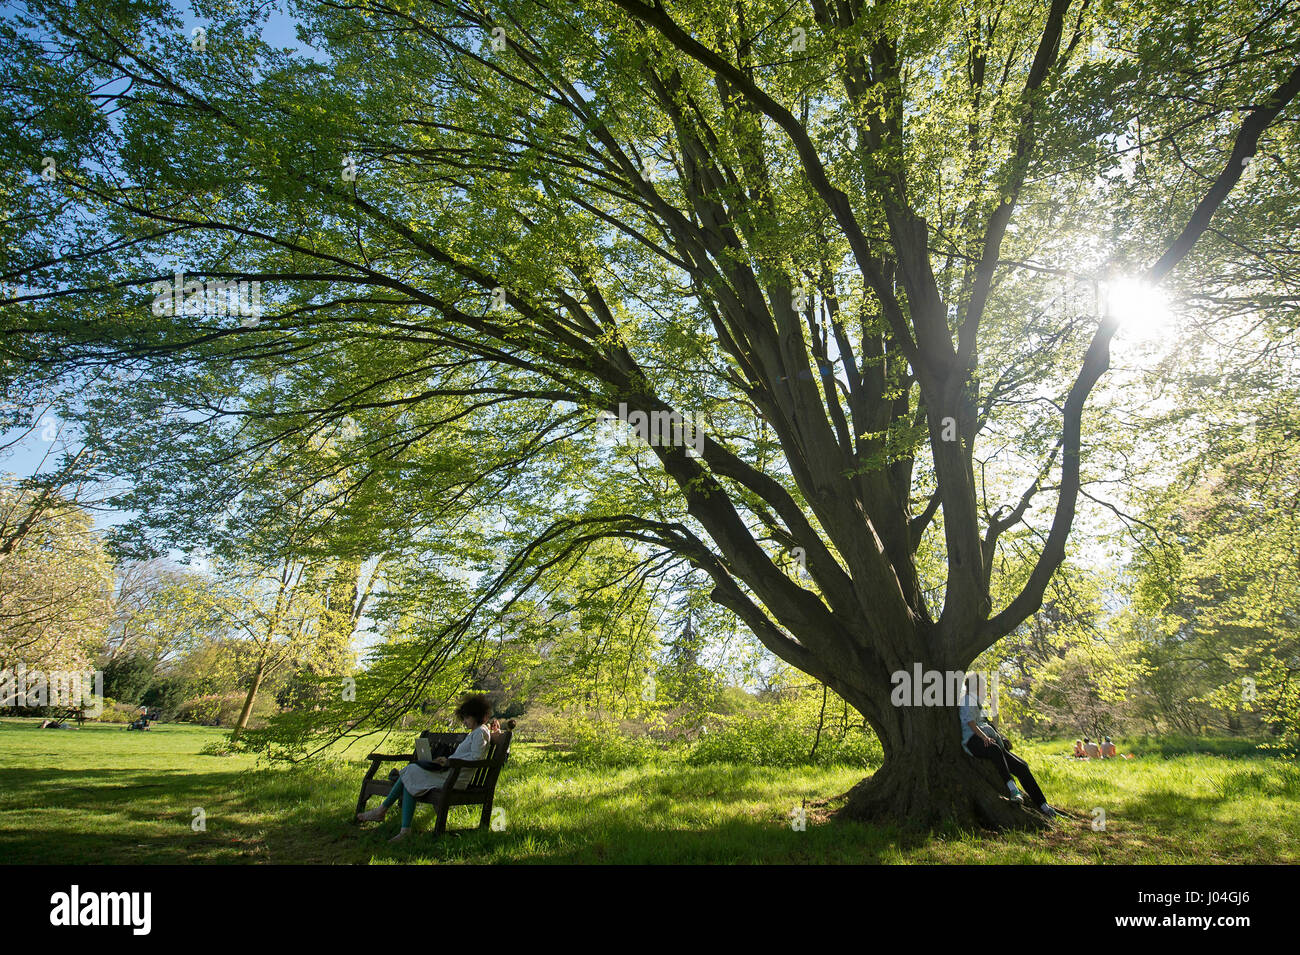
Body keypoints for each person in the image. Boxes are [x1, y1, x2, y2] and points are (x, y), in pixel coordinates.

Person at [356, 694, 493, 841]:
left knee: (411, 771)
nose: (465, 721)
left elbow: (476, 758)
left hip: (455, 779)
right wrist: (445, 760)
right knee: (411, 777)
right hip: (450, 774)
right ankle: (404, 830)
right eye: (464, 718)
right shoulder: (476, 732)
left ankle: (382, 811)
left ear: (477, 716)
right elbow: (468, 756)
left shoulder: (480, 732)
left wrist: (449, 762)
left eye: (467, 718)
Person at [959, 674, 1056, 818]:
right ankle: (1013, 789)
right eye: (982, 686)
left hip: (987, 739)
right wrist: (985, 737)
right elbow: (971, 723)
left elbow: (987, 723)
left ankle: (1043, 806)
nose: (984, 689)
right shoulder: (967, 700)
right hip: (973, 740)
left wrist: (1001, 737)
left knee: (1022, 767)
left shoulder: (978, 702)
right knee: (994, 750)